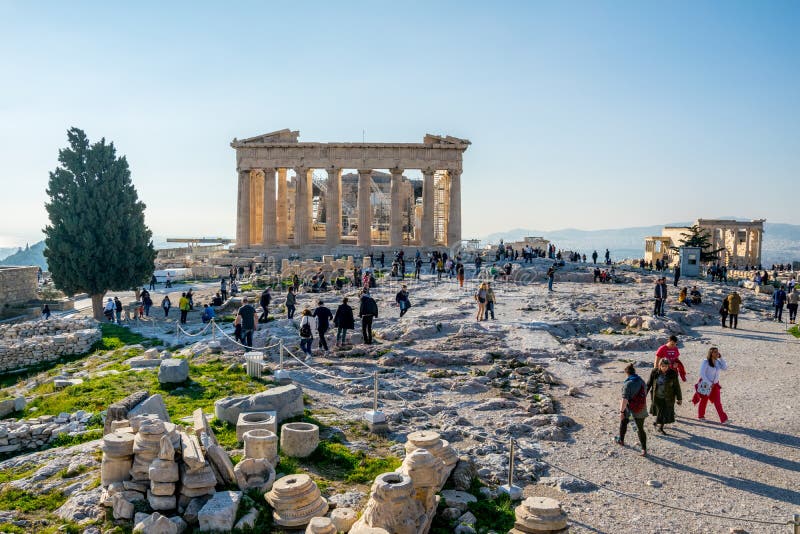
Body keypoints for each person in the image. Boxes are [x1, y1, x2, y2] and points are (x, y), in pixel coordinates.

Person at [615, 363, 648, 457]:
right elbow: (644, 393)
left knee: (624, 422)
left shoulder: (628, 384)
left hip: (630, 411)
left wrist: (621, 412)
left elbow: (624, 400)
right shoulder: (641, 381)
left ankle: (621, 440)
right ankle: (643, 449)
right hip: (641, 409)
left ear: (627, 374)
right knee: (640, 429)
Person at [692, 347, 728, 424]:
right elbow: (702, 374)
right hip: (706, 384)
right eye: (715, 352)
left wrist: (721, 358)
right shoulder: (706, 362)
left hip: (715, 385)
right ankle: (701, 416)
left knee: (718, 402)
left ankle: (724, 419)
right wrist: (709, 383)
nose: (717, 353)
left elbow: (725, 368)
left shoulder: (718, 362)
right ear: (711, 353)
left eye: (717, 352)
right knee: (704, 400)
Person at [647, 358, 682, 434]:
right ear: (659, 365)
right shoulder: (654, 372)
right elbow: (649, 383)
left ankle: (659, 426)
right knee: (660, 411)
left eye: (666, 366)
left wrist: (679, 398)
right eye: (663, 366)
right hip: (656, 396)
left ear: (668, 366)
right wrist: (644, 394)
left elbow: (677, 386)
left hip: (668, 397)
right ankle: (658, 424)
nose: (664, 368)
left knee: (664, 412)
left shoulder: (673, 373)